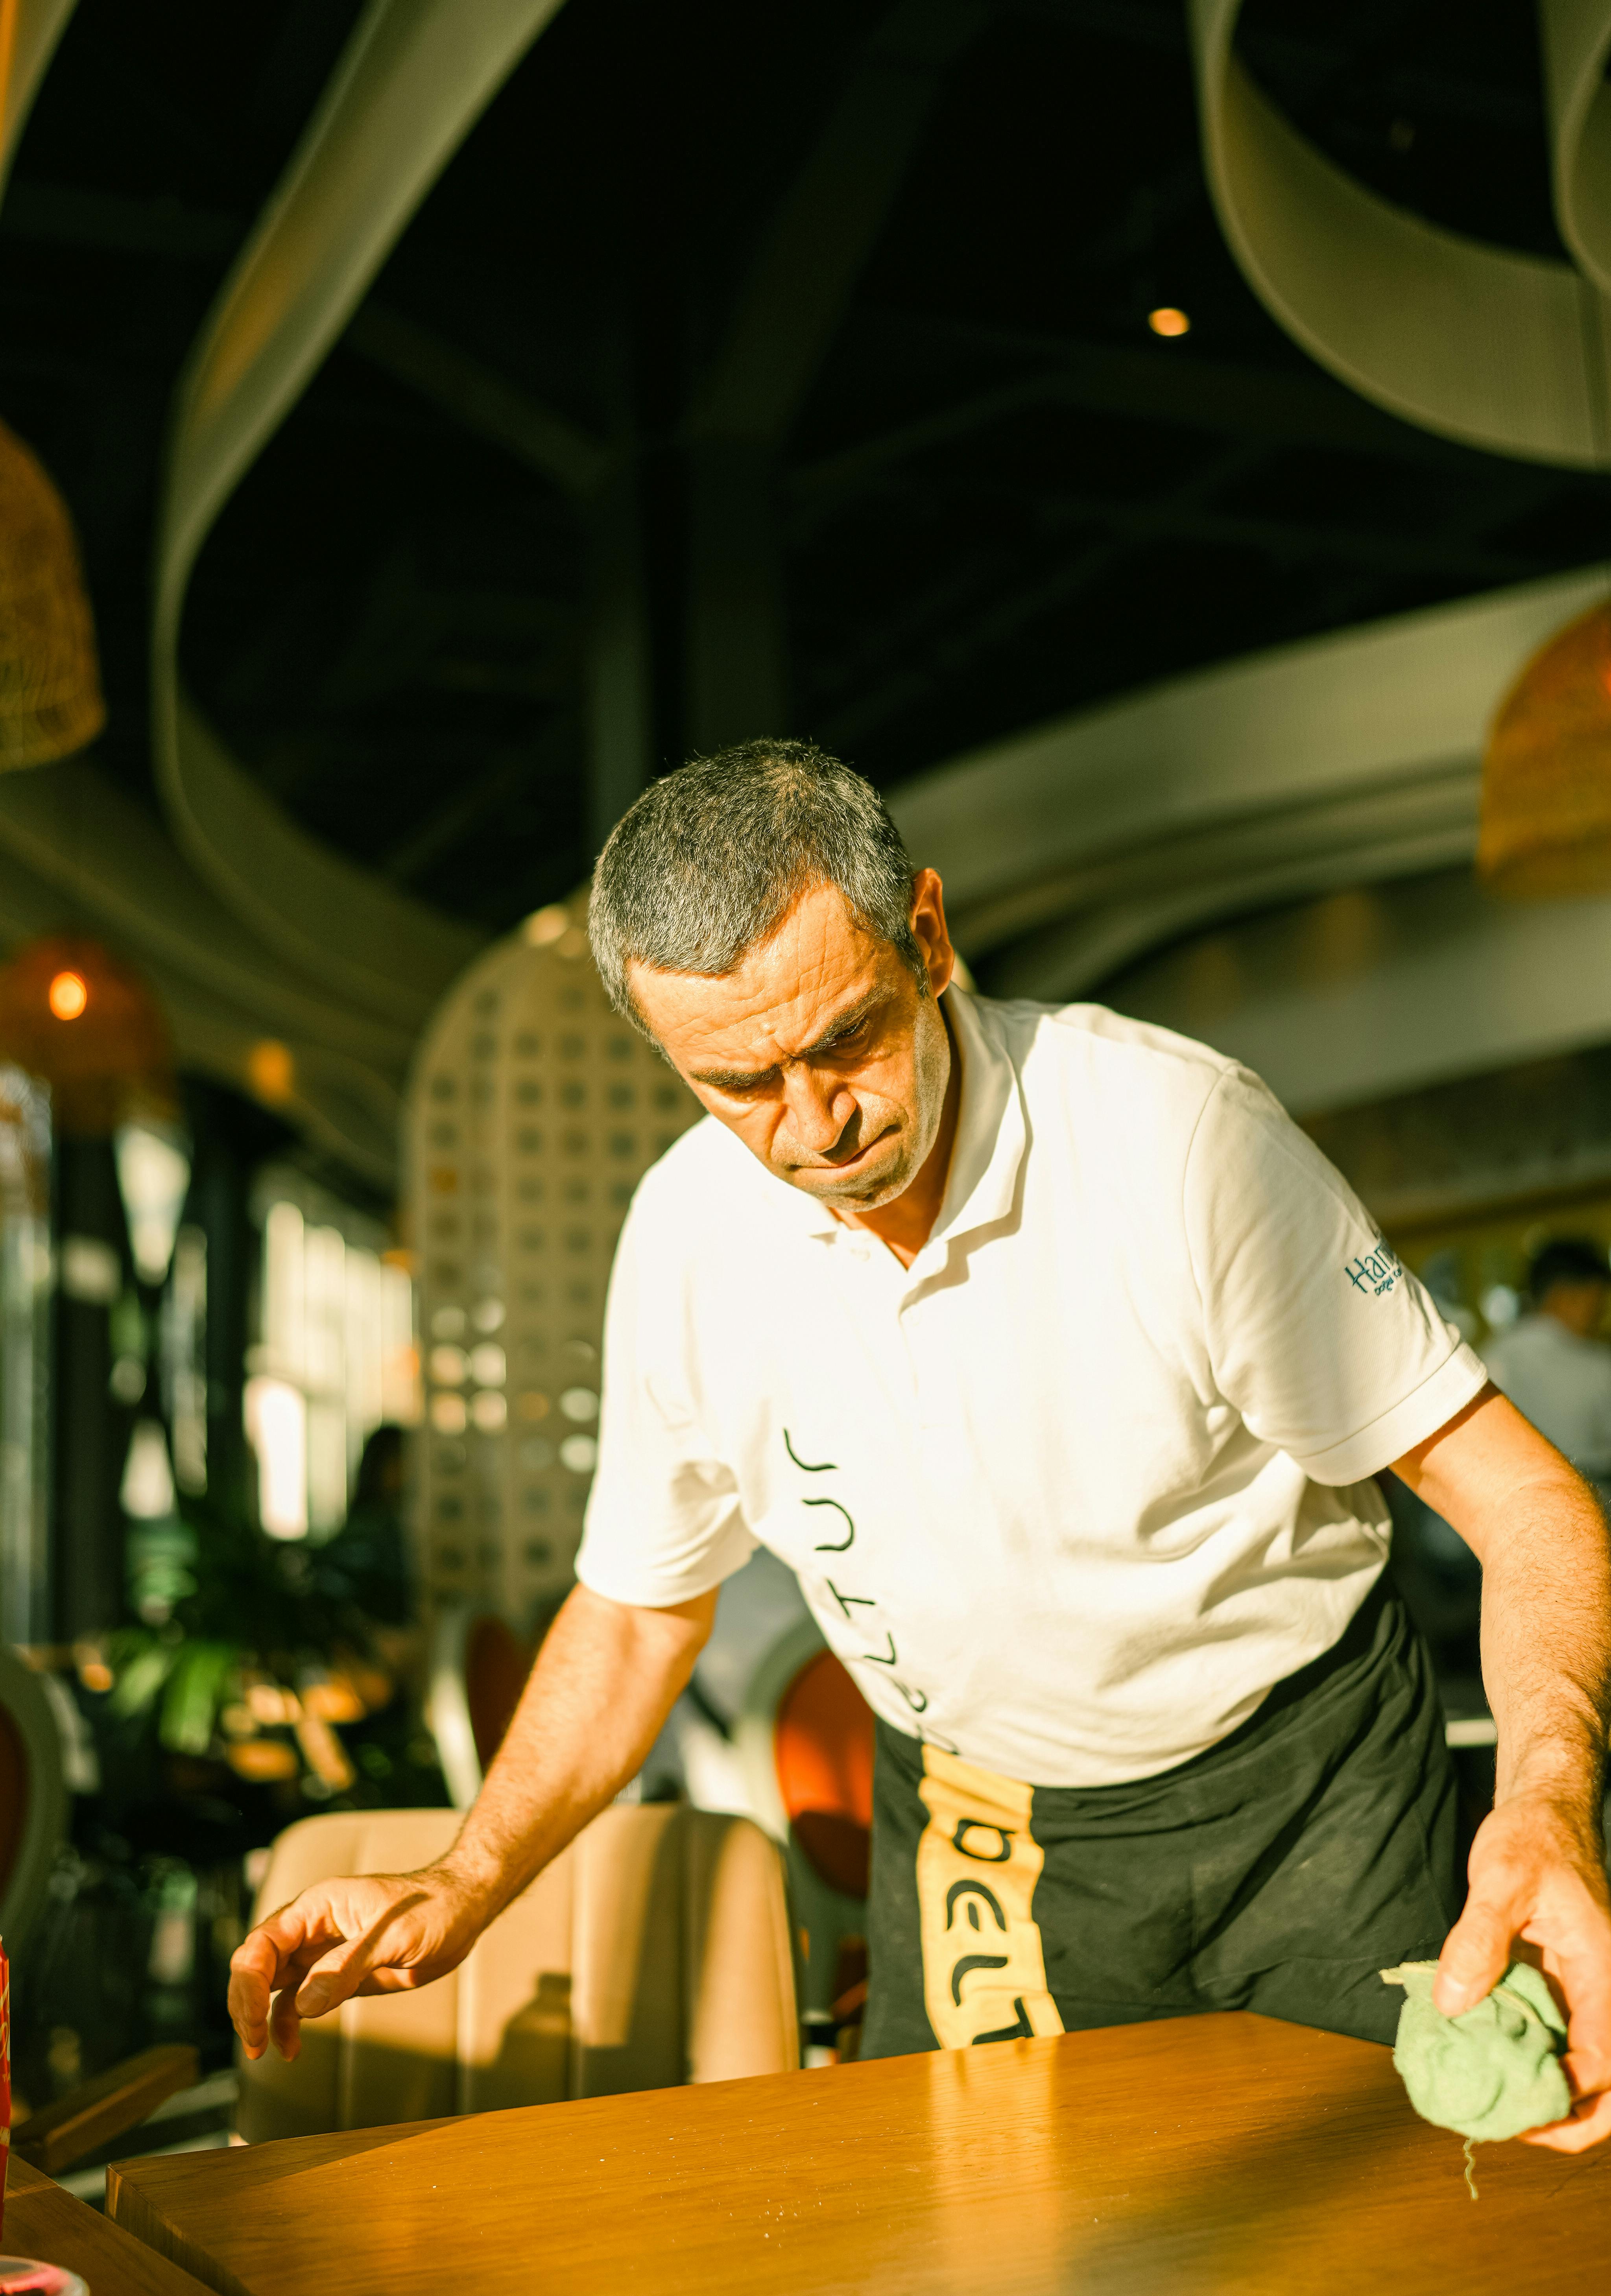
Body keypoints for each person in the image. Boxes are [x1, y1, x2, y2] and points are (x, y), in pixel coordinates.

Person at [229, 743, 1611, 2153]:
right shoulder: (686, 1239)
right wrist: (467, 1873)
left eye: (845, 1038)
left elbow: (1522, 1501)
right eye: (738, 1081)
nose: (814, 1123)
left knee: (1401, 2209)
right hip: (984, 1817)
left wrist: (1546, 1805)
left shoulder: (1177, 1142)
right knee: (983, 2255)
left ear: (928, 938)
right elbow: (641, 1610)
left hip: (1314, 1781)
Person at [1485, 1238, 1611, 1493]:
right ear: (1564, 1295)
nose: (1600, 1315)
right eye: (1597, 1302)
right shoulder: (1597, 1365)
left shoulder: (1488, 1356)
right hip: (1593, 1502)